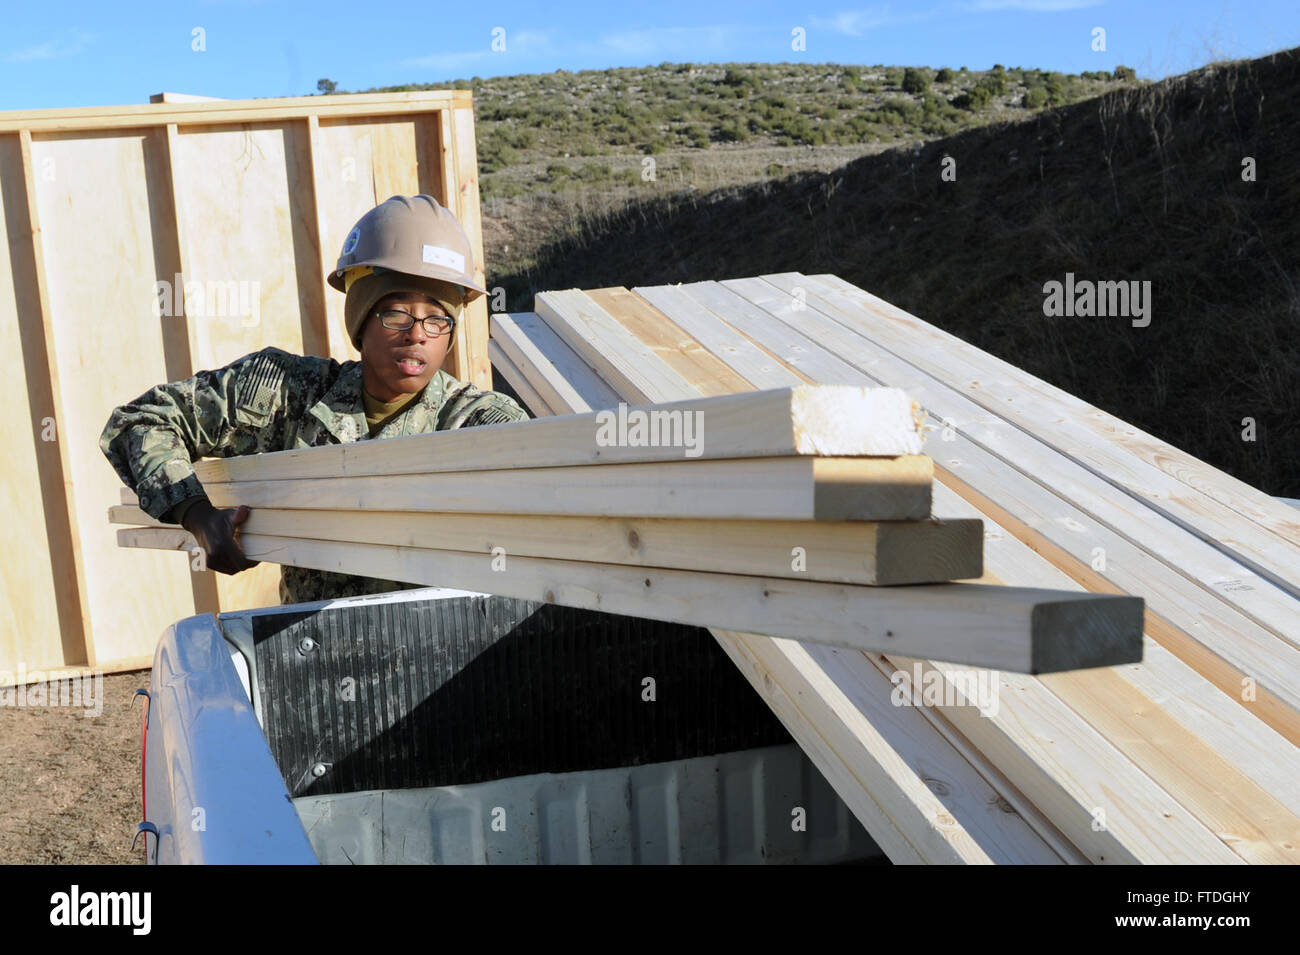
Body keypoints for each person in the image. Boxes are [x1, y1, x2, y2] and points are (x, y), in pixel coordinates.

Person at [100, 194, 528, 604]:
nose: (417, 334)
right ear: (361, 317)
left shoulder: (481, 423)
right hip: (308, 650)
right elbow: (141, 422)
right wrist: (197, 515)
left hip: (440, 656)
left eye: (437, 319)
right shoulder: (283, 393)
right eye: (396, 313)